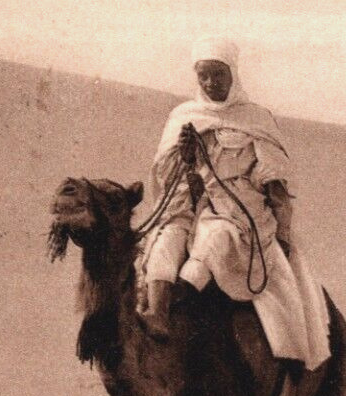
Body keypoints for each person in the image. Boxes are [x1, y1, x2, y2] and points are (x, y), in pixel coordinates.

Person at [137, 37, 330, 369]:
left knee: (217, 237)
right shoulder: (184, 116)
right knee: (160, 242)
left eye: (218, 75)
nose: (211, 83)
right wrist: (185, 158)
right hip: (194, 204)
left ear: (233, 75)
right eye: (203, 76)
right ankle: (157, 314)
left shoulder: (256, 120)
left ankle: (184, 297)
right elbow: (170, 181)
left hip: (245, 213)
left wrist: (283, 233)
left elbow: (275, 184)